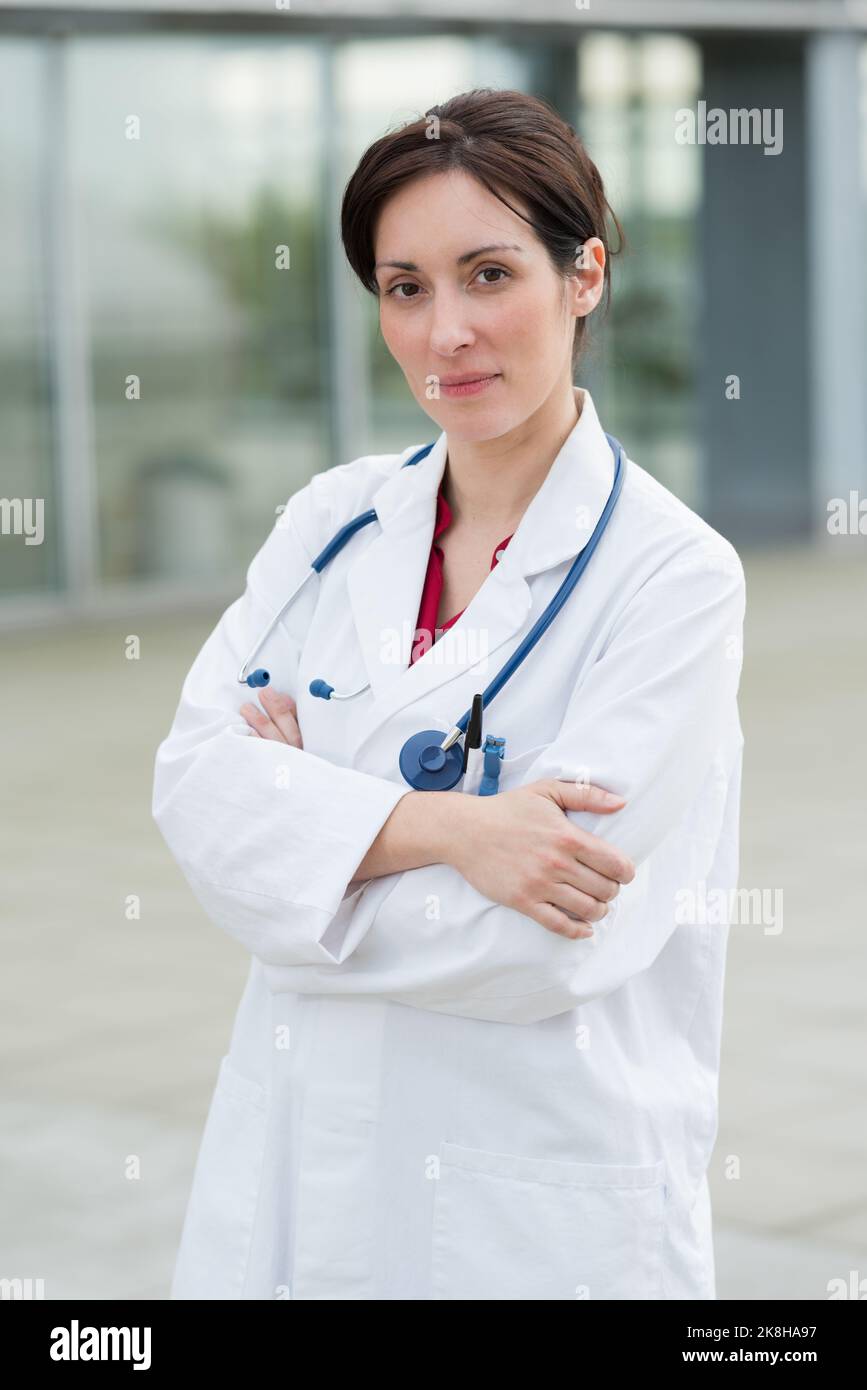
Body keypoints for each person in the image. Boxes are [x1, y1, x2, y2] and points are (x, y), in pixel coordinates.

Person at [152, 88, 746, 1301]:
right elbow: (194, 791)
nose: (444, 333)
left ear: (583, 276)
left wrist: (302, 841)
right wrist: (451, 830)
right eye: (404, 287)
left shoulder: (673, 576)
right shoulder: (332, 521)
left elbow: (542, 945)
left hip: (526, 1202)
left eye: (488, 274)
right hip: (293, 1165)